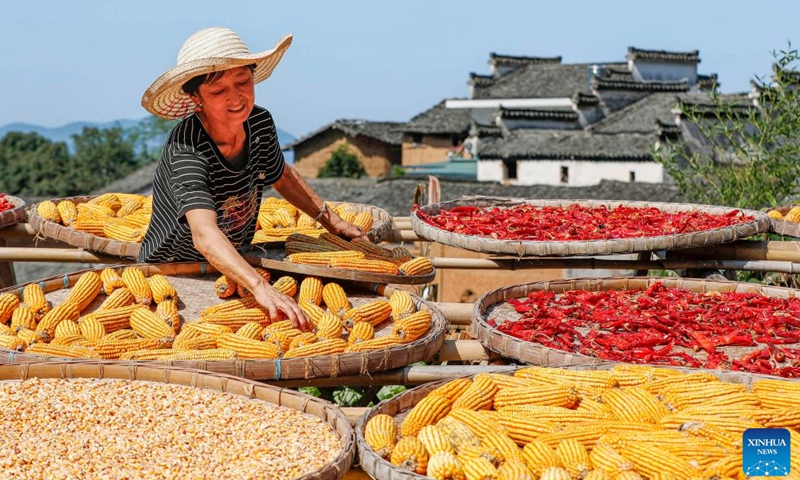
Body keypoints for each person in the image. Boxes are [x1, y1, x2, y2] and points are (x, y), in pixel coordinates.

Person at [139, 27, 365, 331]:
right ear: (196, 98)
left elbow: (282, 175)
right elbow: (204, 233)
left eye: (242, 81)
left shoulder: (259, 122)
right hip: (175, 272)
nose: (236, 97)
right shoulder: (187, 147)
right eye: (218, 91)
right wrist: (259, 287)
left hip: (236, 265)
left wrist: (332, 221)